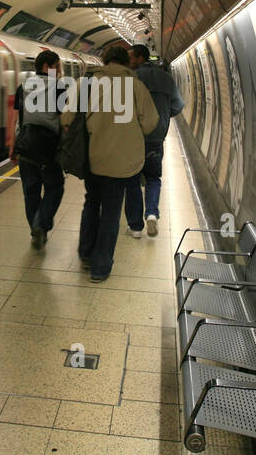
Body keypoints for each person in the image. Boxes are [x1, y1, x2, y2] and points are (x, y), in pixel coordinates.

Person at [61, 45, 158, 282]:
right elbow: (150, 123)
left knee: (91, 203)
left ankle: (85, 254)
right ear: (126, 62)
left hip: (92, 159)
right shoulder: (136, 85)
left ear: (104, 61)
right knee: (112, 212)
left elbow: (66, 118)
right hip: (122, 161)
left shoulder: (87, 83)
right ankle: (101, 267)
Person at [123, 44, 183, 237]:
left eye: (131, 58)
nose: (128, 62)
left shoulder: (130, 79)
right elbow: (178, 106)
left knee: (132, 181)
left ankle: (135, 227)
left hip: (133, 138)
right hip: (156, 138)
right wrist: (163, 118)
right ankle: (151, 214)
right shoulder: (166, 79)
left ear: (140, 58)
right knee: (153, 178)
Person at [13, 51, 65, 250]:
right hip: (49, 149)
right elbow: (62, 120)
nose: (60, 71)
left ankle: (35, 228)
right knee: (55, 187)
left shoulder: (22, 87)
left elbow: (16, 120)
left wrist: (13, 146)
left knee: (31, 192)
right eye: (57, 67)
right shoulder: (59, 88)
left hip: (25, 146)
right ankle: (41, 224)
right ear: (46, 67)